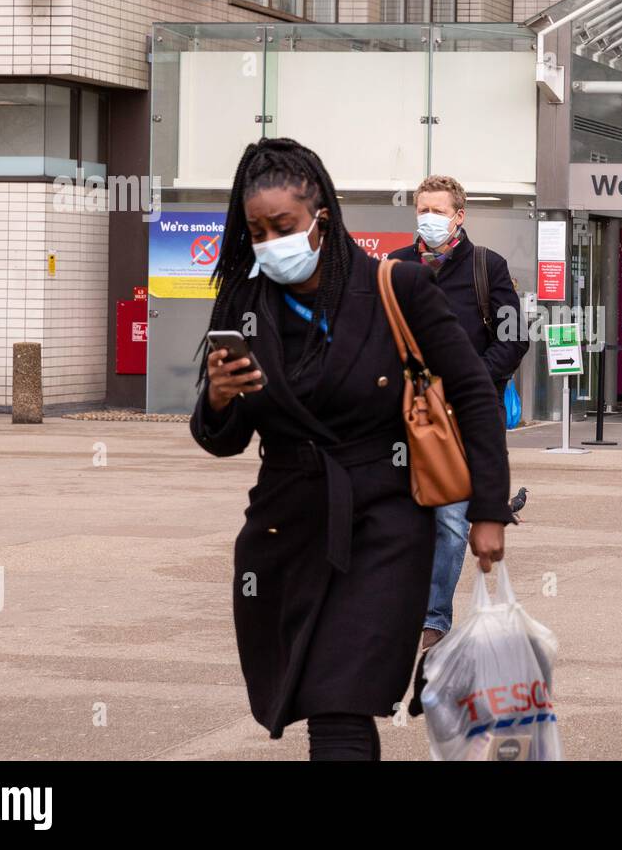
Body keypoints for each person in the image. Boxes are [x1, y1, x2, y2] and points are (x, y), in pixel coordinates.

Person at [189, 138, 513, 761]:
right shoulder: (244, 304)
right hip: (286, 527)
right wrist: (220, 400)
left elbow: (473, 393)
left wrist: (488, 510)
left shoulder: (397, 287)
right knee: (316, 696)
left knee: (342, 696)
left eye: (282, 226)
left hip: (385, 521)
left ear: (321, 219)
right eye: (256, 231)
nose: (268, 241)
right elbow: (221, 441)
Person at [388, 175, 528, 651]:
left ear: (459, 216)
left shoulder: (487, 268)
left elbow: (513, 338)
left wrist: (468, 385)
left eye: (437, 210)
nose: (427, 218)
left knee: (449, 521)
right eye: (421, 209)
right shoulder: (394, 267)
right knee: (396, 516)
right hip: (405, 415)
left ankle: (433, 617)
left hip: (464, 417)